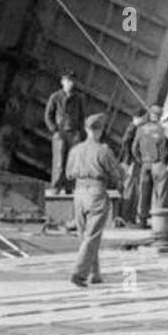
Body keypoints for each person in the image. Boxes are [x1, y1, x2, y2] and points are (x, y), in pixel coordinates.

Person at [65, 112, 124, 286]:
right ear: (100, 130)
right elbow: (117, 174)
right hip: (96, 193)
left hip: (78, 193)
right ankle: (79, 273)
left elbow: (68, 174)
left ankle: (94, 273)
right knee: (92, 236)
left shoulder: (75, 150)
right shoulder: (103, 150)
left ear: (86, 129)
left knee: (84, 236)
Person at [44, 72, 85, 194]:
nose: (70, 83)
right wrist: (54, 130)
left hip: (74, 134)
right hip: (60, 134)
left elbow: (82, 117)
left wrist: (80, 133)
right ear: (62, 82)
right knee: (59, 161)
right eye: (68, 81)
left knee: (72, 162)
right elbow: (48, 115)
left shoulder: (78, 98)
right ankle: (55, 187)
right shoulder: (55, 97)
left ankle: (69, 188)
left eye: (72, 81)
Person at [132, 105, 168, 226]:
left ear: (150, 114)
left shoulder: (140, 129)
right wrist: (164, 162)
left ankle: (142, 220)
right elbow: (165, 149)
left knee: (144, 192)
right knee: (161, 194)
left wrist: (141, 161)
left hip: (145, 164)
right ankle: (159, 222)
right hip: (158, 164)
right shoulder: (162, 129)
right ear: (160, 116)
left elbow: (134, 148)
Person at [117, 106, 145, 225]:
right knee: (131, 190)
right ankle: (127, 217)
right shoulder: (133, 128)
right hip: (131, 163)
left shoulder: (132, 127)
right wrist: (133, 158)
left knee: (129, 189)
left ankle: (127, 217)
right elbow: (127, 143)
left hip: (128, 162)